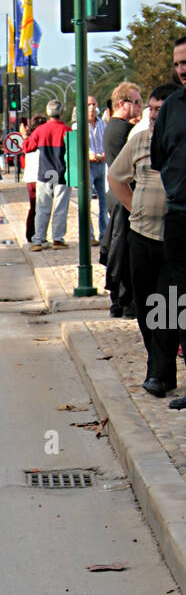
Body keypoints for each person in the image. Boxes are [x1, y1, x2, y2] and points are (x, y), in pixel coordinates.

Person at [109, 84, 176, 396]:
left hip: (174, 237)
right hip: (141, 235)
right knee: (147, 304)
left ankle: (159, 374)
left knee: (167, 304)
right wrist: (135, 207)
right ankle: (159, 367)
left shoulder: (179, 142)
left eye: (161, 110)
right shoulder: (140, 141)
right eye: (151, 109)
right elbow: (115, 176)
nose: (154, 115)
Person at [152, 38, 186, 409]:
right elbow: (161, 158)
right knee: (181, 300)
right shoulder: (173, 106)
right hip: (179, 217)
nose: (182, 69)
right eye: (178, 63)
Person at [102, 82, 143, 316]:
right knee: (125, 250)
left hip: (116, 194)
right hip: (124, 196)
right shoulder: (125, 131)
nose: (139, 107)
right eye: (136, 102)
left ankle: (120, 300)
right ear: (122, 104)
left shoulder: (113, 127)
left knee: (120, 247)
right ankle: (125, 302)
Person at [24, 101, 71, 251]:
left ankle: (38, 240)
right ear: (61, 112)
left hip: (44, 174)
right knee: (60, 208)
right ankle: (57, 239)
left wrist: (25, 134)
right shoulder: (66, 130)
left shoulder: (40, 130)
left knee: (42, 207)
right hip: (61, 174)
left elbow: (26, 147)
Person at [21, 114, 46, 244]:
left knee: (35, 207)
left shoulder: (30, 139)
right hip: (37, 177)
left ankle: (33, 233)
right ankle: (34, 234)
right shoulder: (38, 139)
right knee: (39, 208)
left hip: (31, 177)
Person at [87, 96, 107, 244]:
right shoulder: (79, 125)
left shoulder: (102, 124)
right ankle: (90, 235)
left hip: (102, 165)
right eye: (89, 104)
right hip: (88, 166)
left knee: (104, 202)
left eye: (94, 104)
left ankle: (104, 234)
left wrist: (106, 152)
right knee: (86, 202)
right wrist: (89, 153)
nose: (92, 107)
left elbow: (106, 140)